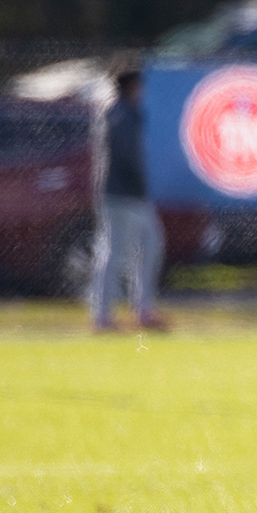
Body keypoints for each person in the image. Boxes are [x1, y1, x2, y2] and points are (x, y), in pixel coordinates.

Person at [89, 64, 167, 333]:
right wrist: (141, 182)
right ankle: (103, 317)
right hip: (124, 194)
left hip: (130, 194)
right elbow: (127, 157)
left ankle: (141, 310)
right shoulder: (120, 113)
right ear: (130, 86)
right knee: (114, 254)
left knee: (148, 247)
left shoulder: (125, 112)